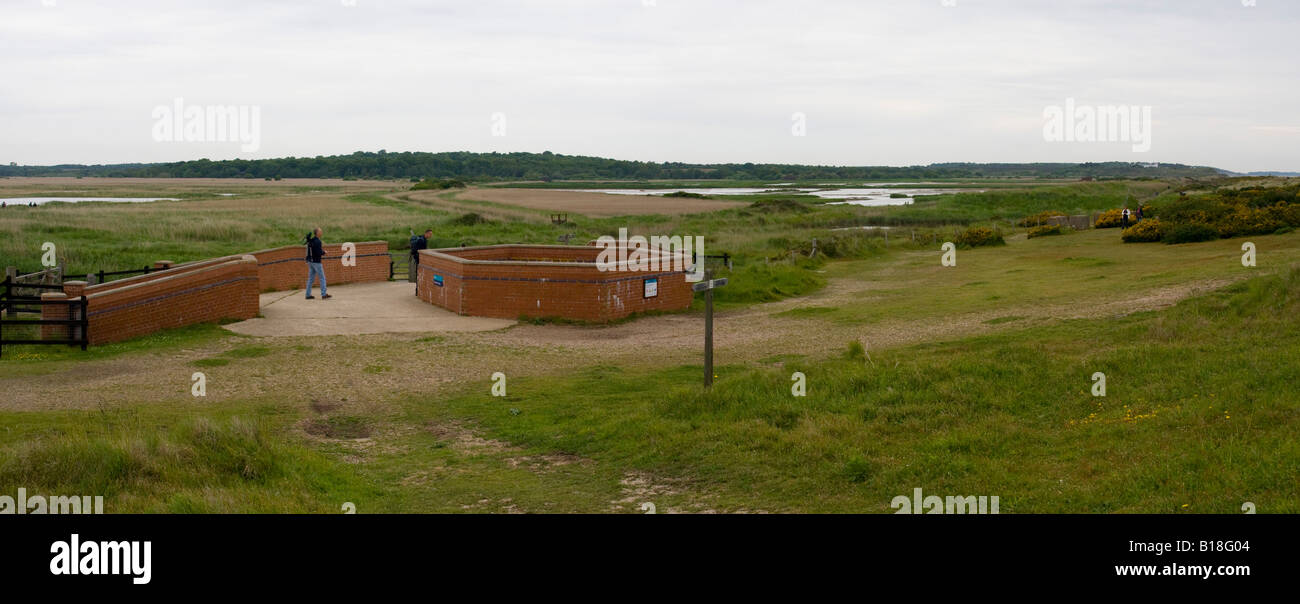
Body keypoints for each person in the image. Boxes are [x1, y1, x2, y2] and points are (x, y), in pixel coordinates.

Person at [304, 227, 331, 300]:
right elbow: (319, 252)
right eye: (320, 231)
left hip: (310, 262)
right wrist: (324, 252)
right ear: (317, 233)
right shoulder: (318, 242)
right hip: (317, 262)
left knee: (310, 279)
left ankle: (308, 295)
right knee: (322, 278)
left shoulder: (311, 240)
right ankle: (324, 294)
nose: (322, 232)